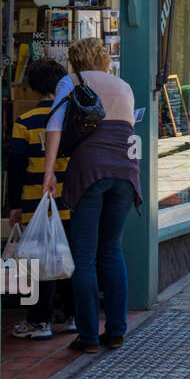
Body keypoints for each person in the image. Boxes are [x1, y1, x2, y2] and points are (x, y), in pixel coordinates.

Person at [42, 38, 142, 354]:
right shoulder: (124, 86)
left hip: (89, 170)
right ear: (104, 59)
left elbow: (54, 126)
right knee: (111, 249)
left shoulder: (71, 81)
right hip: (126, 171)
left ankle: (87, 337)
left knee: (84, 254)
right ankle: (115, 331)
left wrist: (49, 172)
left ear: (74, 60)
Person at [7, 58, 74, 340]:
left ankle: (38, 322)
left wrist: (14, 205)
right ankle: (72, 316)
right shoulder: (71, 119)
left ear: (33, 87)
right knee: (68, 260)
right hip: (67, 203)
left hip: (35, 203)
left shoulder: (24, 122)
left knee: (35, 264)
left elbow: (16, 166)